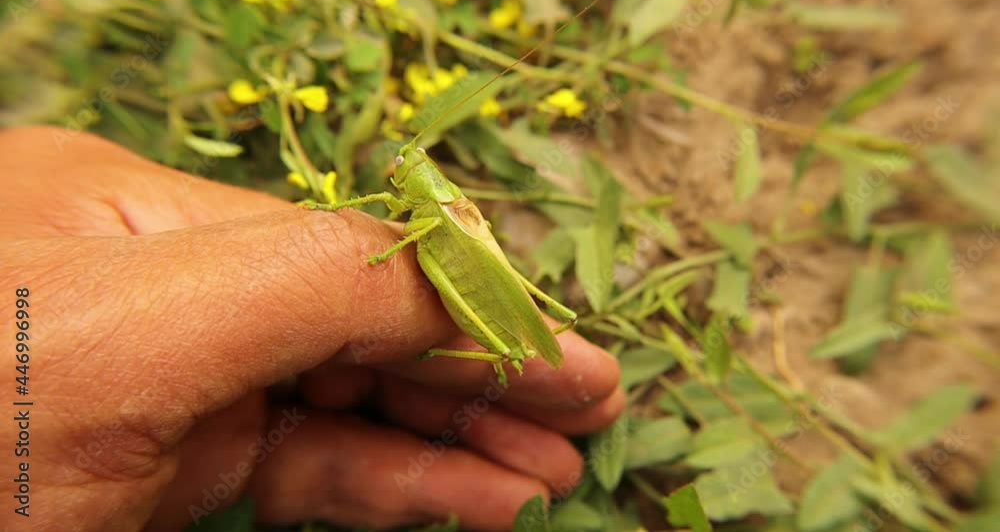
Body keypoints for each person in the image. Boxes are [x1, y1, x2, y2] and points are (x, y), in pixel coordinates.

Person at [0, 127, 624, 532]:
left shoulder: (430, 208)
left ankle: (505, 343)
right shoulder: (423, 203)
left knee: (487, 288)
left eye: (409, 166)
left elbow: (405, 224)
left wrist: (363, 240)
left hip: (462, 270)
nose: (399, 173)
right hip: (444, 274)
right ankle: (503, 348)